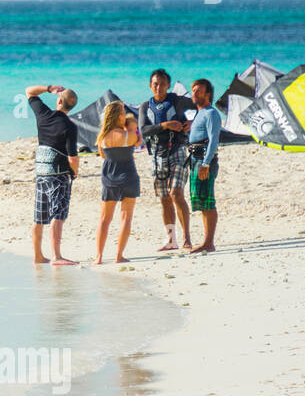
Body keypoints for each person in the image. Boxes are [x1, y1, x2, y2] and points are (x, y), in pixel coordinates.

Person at [137, 69, 195, 251]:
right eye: (155, 84)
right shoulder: (145, 106)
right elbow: (143, 130)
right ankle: (171, 240)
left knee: (176, 193)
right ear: (150, 86)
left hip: (177, 151)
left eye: (162, 84)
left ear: (168, 85)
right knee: (164, 199)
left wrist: (193, 123)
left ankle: (187, 238)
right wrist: (165, 125)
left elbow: (203, 106)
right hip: (157, 155)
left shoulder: (177, 101)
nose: (159, 87)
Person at [25, 84, 79, 265]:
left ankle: (37, 256)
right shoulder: (70, 126)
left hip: (41, 171)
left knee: (39, 215)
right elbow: (73, 158)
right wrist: (75, 173)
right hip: (58, 172)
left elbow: (29, 91)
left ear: (58, 101)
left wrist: (49, 88)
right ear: (71, 107)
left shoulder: (44, 114)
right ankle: (56, 256)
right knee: (57, 213)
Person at [94, 101, 141, 264]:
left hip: (110, 179)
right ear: (119, 116)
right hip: (129, 177)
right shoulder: (129, 135)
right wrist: (131, 121)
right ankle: (118, 256)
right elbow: (137, 136)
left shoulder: (102, 138)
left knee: (104, 219)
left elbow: (103, 156)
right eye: (123, 112)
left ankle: (98, 257)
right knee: (126, 218)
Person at [186, 78, 223, 253]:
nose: (194, 93)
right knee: (201, 200)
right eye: (193, 90)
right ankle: (206, 240)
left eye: (198, 90)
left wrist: (206, 164)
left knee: (208, 200)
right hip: (195, 159)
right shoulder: (199, 113)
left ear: (207, 94)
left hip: (204, 161)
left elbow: (214, 140)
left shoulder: (211, 113)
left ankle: (209, 243)